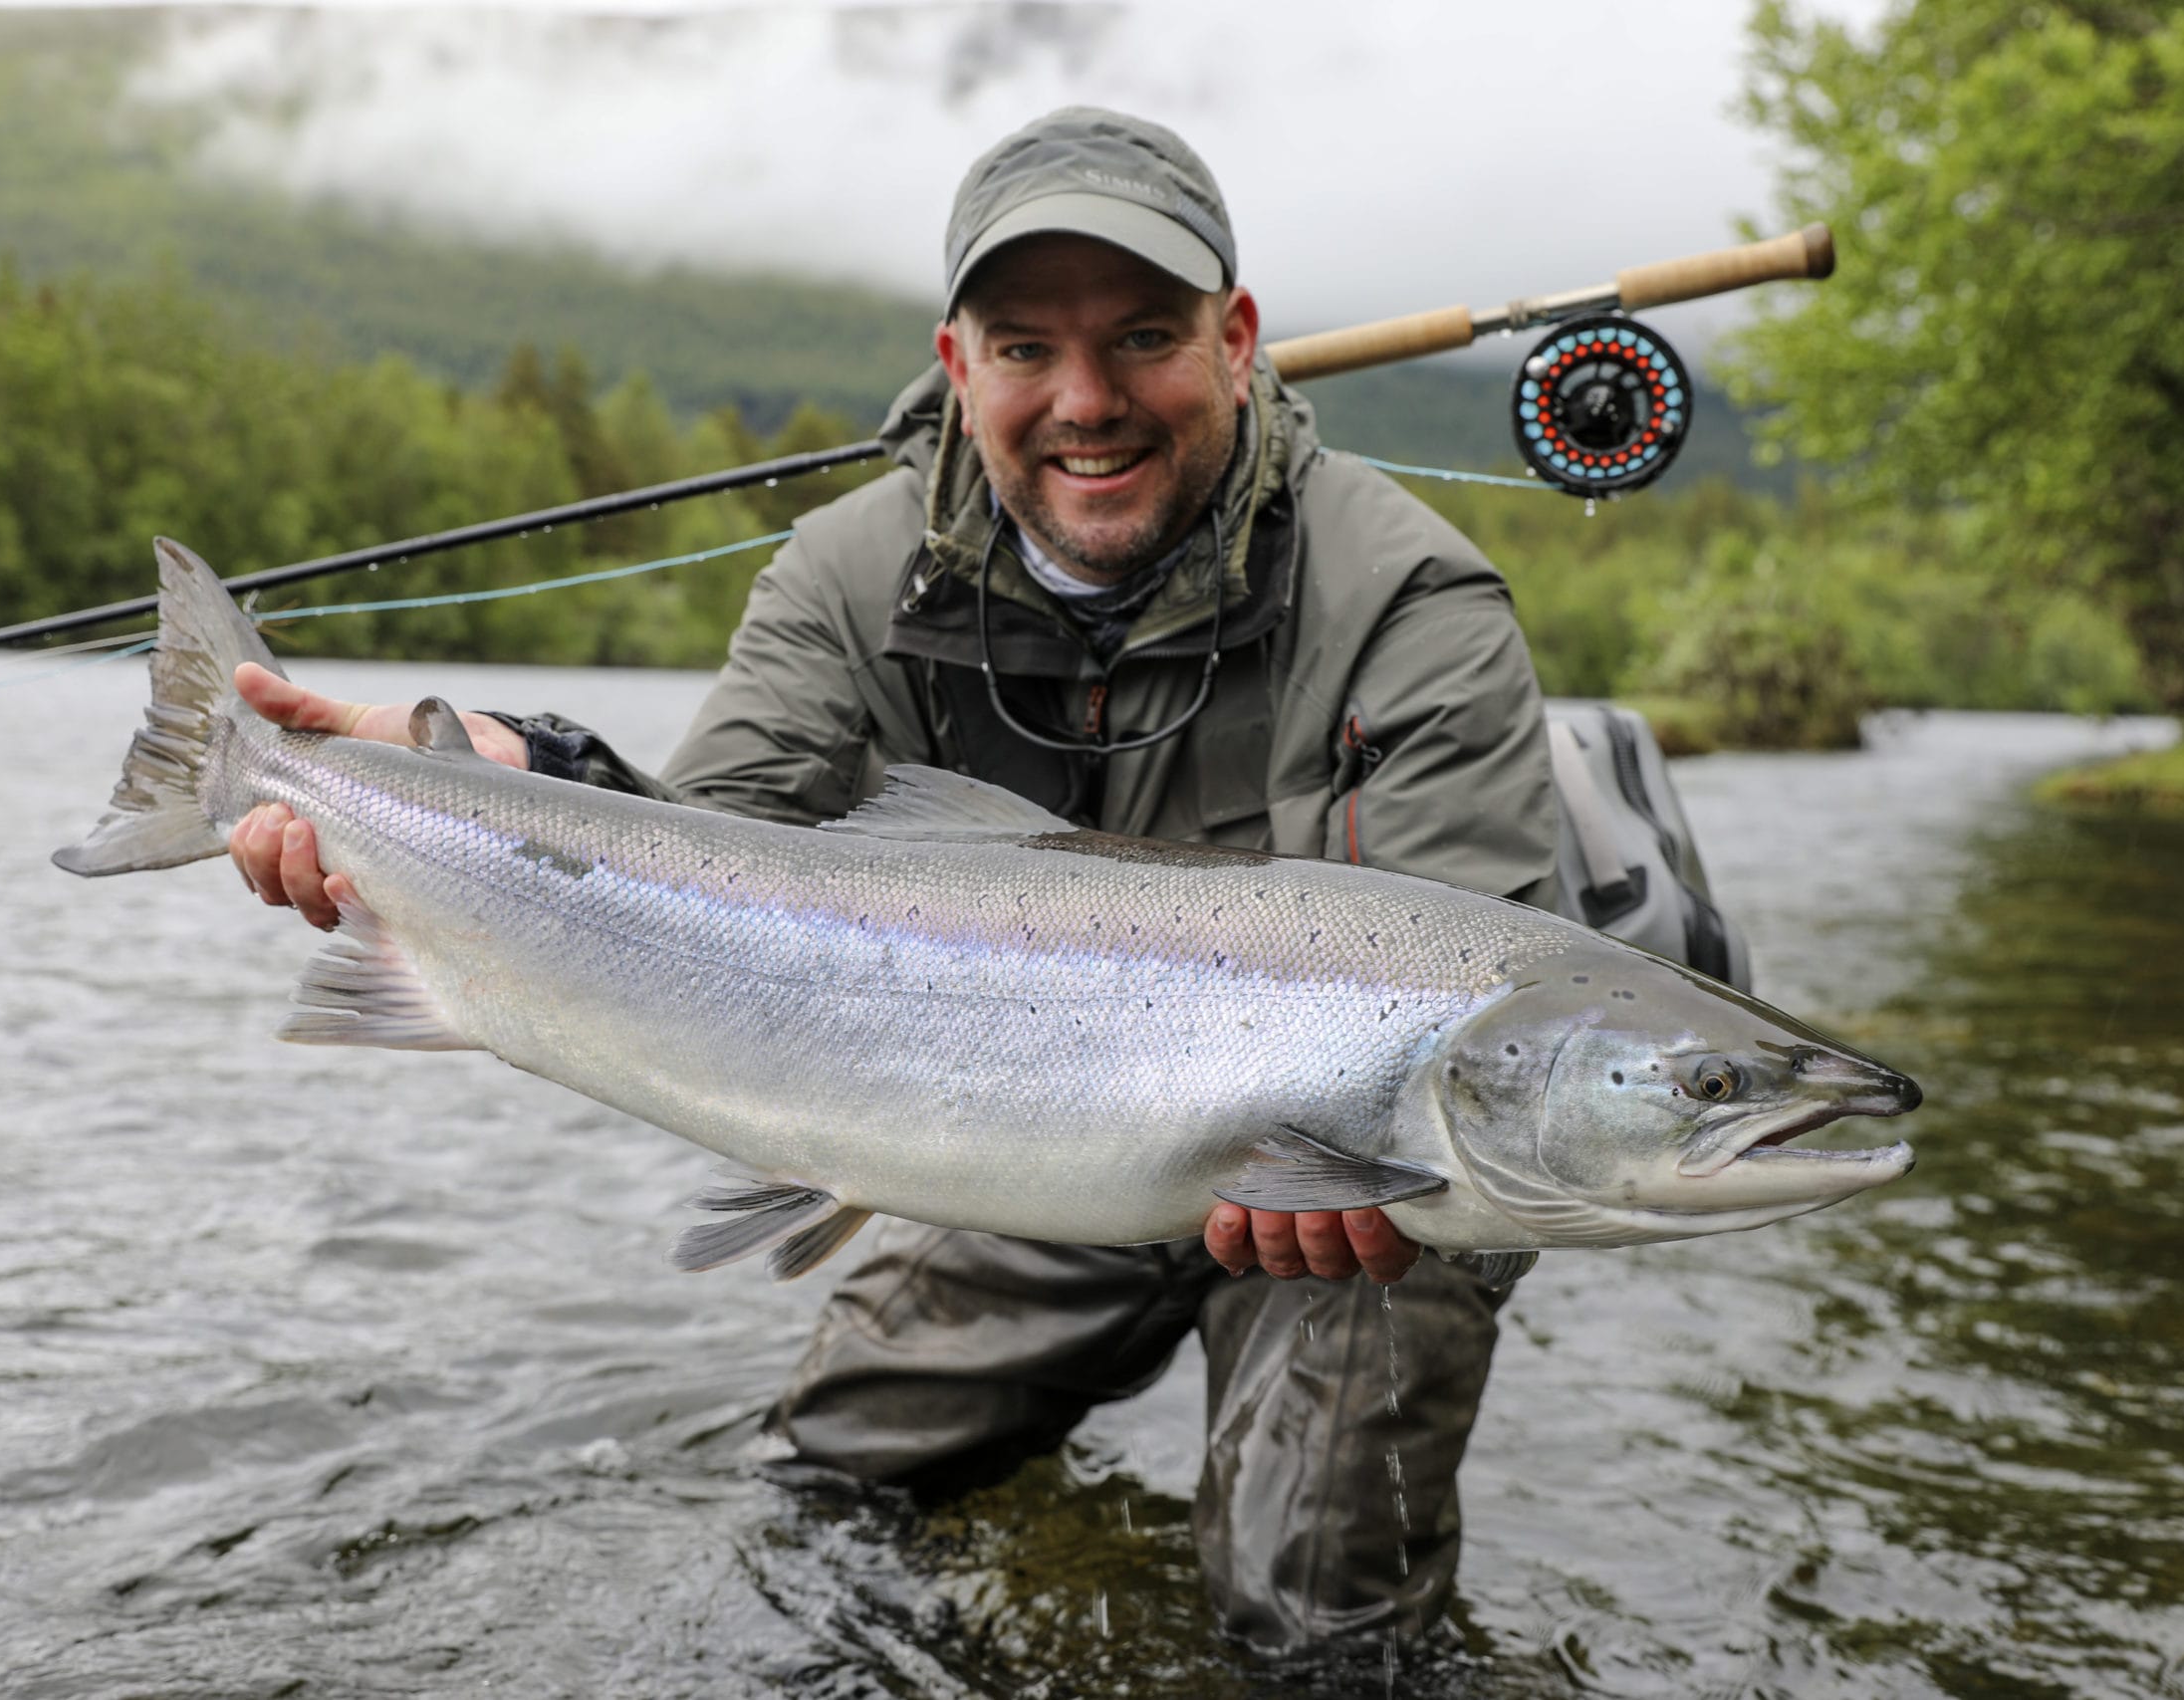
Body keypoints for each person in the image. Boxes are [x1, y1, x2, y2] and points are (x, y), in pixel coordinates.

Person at [225, 107, 1560, 1651]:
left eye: (1142, 338)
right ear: (956, 364)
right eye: (1023, 350)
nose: (1084, 401)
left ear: (1239, 338)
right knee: (832, 1484)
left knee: (1316, 1621)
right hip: (1000, 1129)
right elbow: (701, 853)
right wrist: (517, 762)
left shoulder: (1413, 600)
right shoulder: (852, 573)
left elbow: (1494, 1003)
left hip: (1349, 1190)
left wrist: (1409, 1186)